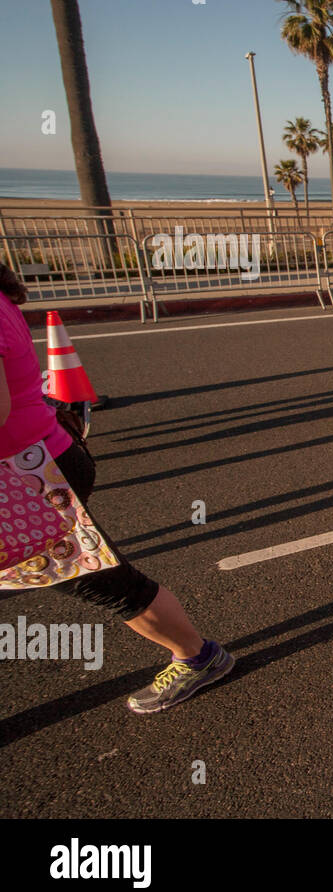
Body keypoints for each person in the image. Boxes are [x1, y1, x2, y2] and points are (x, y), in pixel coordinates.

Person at [0, 263, 233, 713]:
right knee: (95, 577)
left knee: (101, 580)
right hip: (39, 461)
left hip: (28, 479)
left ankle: (198, 656)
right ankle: (197, 655)